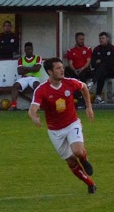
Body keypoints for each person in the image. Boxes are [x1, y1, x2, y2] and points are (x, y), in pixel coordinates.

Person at [29, 57, 98, 193]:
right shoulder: (42, 89)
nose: (62, 70)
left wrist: (88, 107)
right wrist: (34, 117)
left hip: (72, 123)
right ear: (50, 72)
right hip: (55, 131)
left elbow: (84, 87)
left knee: (77, 151)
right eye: (58, 68)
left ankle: (84, 159)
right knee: (71, 161)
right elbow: (32, 108)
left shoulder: (70, 82)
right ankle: (90, 184)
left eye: (62, 67)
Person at [89, 32, 114, 103]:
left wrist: (100, 61)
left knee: (102, 67)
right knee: (101, 73)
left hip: (110, 71)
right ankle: (98, 97)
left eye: (103, 38)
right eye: (100, 38)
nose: (101, 40)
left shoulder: (113, 48)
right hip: (100, 72)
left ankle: (93, 82)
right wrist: (102, 61)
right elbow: (93, 64)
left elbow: (111, 63)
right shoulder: (96, 49)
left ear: (107, 39)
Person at [13, 43, 46, 108]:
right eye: (27, 49)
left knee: (37, 85)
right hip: (24, 78)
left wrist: (25, 68)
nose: (29, 51)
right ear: (24, 50)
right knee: (15, 85)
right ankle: (14, 105)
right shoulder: (21, 59)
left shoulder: (38, 58)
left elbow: (37, 69)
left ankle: (40, 104)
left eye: (30, 49)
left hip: (34, 78)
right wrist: (32, 68)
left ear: (32, 50)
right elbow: (19, 72)